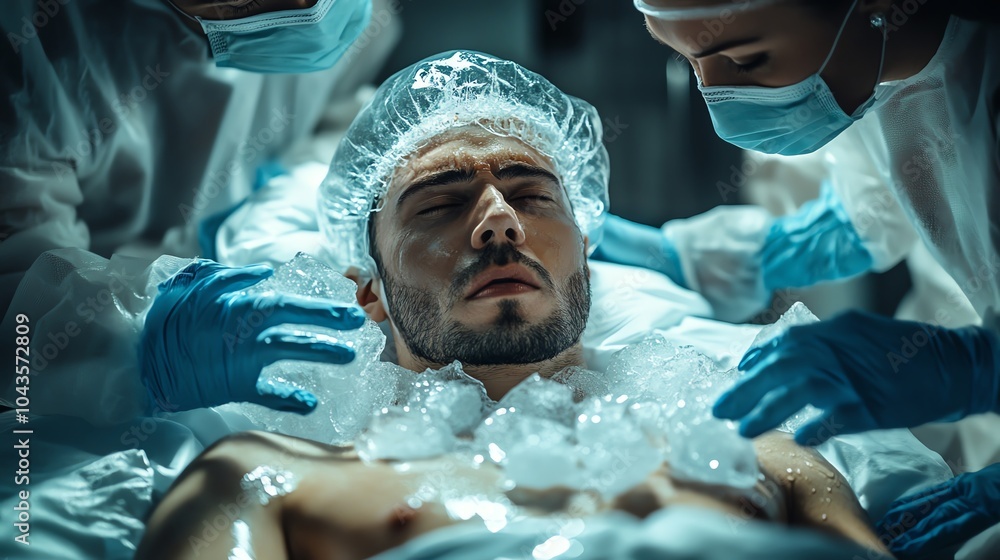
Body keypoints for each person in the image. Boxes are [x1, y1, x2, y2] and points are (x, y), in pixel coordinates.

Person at [135, 52, 891, 559]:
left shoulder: (770, 460)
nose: (499, 219)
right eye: (438, 205)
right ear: (368, 291)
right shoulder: (260, 473)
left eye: (532, 195)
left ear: (587, 256)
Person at [624, 0, 1000, 555]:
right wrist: (700, 257)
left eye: (747, 60)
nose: (718, 102)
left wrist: (973, 370)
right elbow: (870, 214)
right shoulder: (870, 66)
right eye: (686, 60)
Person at [0, 0, 383, 425]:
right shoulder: (31, 42)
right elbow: (15, 287)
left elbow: (345, 116)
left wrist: (291, 194)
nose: (307, 10)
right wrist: (141, 343)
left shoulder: (356, 12)